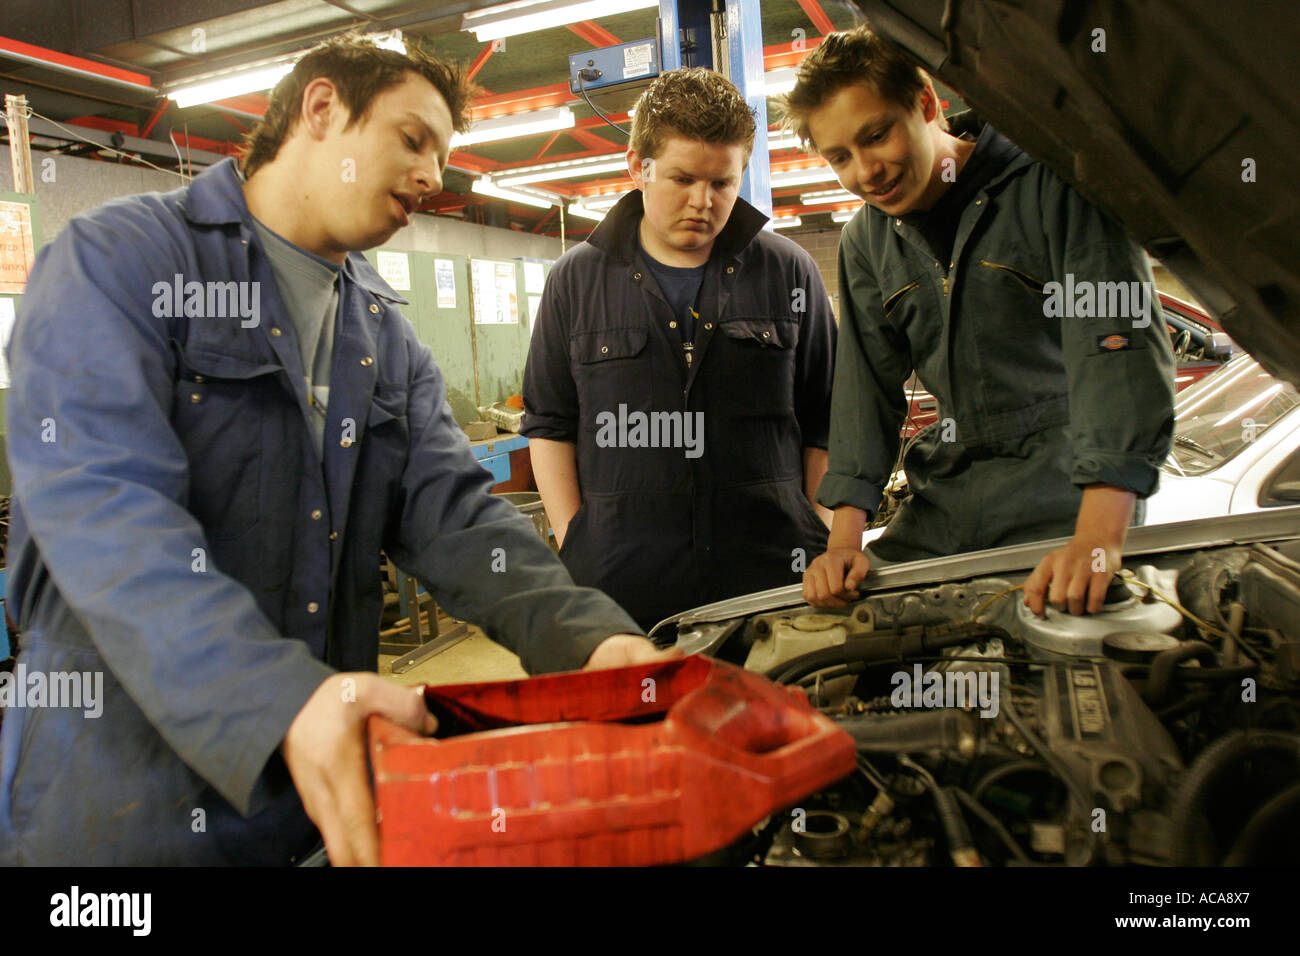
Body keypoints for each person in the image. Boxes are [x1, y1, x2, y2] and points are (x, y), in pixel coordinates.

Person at [0, 34, 673, 867]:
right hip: (121, 808)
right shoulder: (120, 262)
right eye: (413, 139)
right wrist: (279, 701)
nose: (434, 177)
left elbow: (457, 518)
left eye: (442, 154)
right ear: (320, 109)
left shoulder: (381, 333)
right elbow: (107, 512)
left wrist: (591, 642)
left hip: (314, 802)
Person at [783, 27, 1175, 617]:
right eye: (840, 157)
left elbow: (1114, 349)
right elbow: (864, 391)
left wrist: (1098, 540)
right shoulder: (866, 240)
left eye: (877, 136)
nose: (866, 171)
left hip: (1066, 496)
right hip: (946, 497)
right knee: (848, 632)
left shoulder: (1053, 181)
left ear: (925, 103)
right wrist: (842, 544)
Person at [522, 68, 838, 631]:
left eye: (722, 183)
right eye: (682, 178)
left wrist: (816, 526)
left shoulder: (790, 271)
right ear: (636, 168)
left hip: (772, 581)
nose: (702, 202)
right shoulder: (575, 281)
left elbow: (826, 421)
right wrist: (580, 540)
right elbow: (549, 423)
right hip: (623, 588)